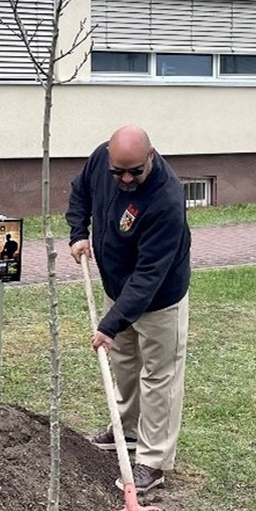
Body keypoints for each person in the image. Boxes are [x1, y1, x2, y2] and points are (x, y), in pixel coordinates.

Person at [66, 125, 191, 492]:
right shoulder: (100, 160)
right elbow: (80, 192)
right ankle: (128, 429)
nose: (125, 178)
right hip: (116, 285)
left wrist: (111, 323)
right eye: (118, 171)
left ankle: (152, 461)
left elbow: (150, 274)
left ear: (150, 157)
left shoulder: (166, 198)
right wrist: (78, 232)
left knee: (158, 376)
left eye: (135, 171)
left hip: (158, 299)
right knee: (124, 365)